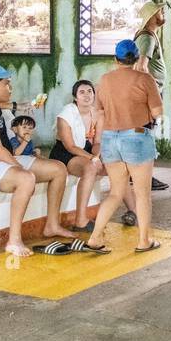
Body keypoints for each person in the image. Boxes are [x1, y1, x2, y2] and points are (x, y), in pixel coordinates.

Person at [0, 64, 75, 257]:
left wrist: (19, 106)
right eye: (7, 84)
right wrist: (20, 167)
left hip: (0, 159)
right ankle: (13, 241)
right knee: (25, 178)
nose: (10, 88)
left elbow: (2, 105)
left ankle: (52, 225)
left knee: (58, 168)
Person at [85, 40, 164, 254]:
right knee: (142, 194)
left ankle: (94, 238)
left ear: (115, 59)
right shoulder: (145, 79)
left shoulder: (105, 80)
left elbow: (98, 110)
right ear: (137, 58)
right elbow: (157, 112)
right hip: (137, 136)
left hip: (110, 138)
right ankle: (144, 241)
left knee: (115, 192)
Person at [49, 79, 135, 232]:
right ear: (75, 97)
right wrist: (92, 159)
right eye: (82, 92)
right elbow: (70, 146)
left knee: (117, 167)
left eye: (89, 91)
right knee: (90, 168)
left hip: (86, 150)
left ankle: (132, 211)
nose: (87, 95)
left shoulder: (97, 115)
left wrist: (99, 156)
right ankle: (80, 220)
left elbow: (97, 143)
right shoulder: (66, 114)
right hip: (65, 153)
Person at [133, 0, 171, 195]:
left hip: (147, 92)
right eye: (160, 11)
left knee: (143, 132)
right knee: (146, 134)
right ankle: (143, 175)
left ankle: (138, 173)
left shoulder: (149, 36)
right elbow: (141, 66)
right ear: (152, 16)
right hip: (149, 92)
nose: (163, 13)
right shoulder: (147, 37)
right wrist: (151, 92)